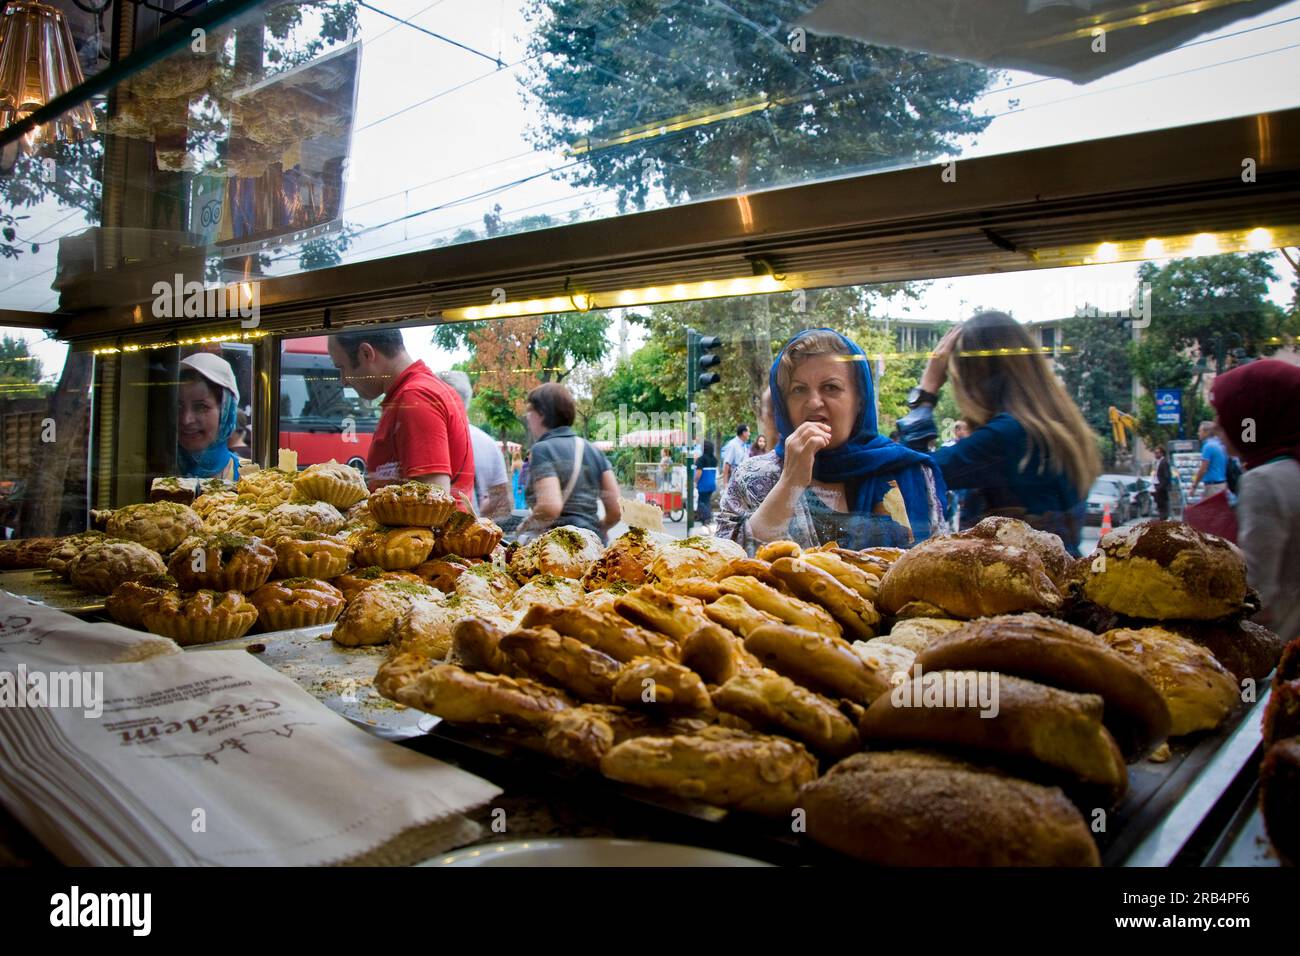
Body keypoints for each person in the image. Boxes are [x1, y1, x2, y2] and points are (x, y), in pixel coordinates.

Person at [716, 329, 946, 552]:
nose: (814, 402)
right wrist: (789, 482)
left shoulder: (910, 470)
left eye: (830, 387)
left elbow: (935, 566)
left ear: (859, 400)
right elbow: (727, 566)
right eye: (798, 390)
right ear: (784, 405)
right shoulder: (751, 477)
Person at [899, 312, 1101, 555]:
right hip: (1057, 580)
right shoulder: (1059, 428)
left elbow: (912, 475)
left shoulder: (1007, 437)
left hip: (1015, 584)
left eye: (954, 379)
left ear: (974, 379)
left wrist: (927, 391)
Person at [1210, 359, 1300, 641]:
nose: (1216, 427)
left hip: (1279, 651)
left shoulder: (1264, 482)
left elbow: (1256, 593)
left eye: (1225, 415)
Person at [328, 329, 474, 497]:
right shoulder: (420, 391)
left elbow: (431, 503)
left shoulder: (414, 399)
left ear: (366, 354)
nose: (343, 381)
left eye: (342, 368)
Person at [519, 382, 621, 541]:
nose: (528, 418)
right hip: (595, 546)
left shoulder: (542, 449)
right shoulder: (594, 451)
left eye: (529, 411)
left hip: (558, 551)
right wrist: (595, 531)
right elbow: (616, 510)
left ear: (542, 413)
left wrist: (525, 525)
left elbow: (550, 507)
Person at [437, 370, 512, 519]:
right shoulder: (488, 443)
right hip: (474, 533)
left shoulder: (435, 438)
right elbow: (503, 501)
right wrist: (478, 514)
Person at [177, 352, 244, 480]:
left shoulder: (249, 478)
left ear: (226, 413)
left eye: (200, 407)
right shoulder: (155, 472)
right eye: (179, 407)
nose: (186, 419)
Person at [1190, 420, 1228, 501]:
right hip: (1223, 484)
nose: (1198, 433)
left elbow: (1203, 469)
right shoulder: (1220, 444)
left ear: (1206, 432)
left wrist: (1194, 486)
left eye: (1199, 431)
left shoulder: (1207, 446)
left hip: (1212, 487)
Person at [720, 423, 751, 489]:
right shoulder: (733, 445)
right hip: (733, 480)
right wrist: (725, 484)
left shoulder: (744, 445)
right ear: (744, 433)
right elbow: (727, 464)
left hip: (742, 479)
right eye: (748, 432)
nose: (749, 434)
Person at [695, 439, 718, 527]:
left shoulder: (701, 459)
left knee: (701, 502)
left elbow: (698, 473)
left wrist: (695, 481)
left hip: (703, 484)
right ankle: (707, 518)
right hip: (712, 484)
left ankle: (706, 517)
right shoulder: (714, 459)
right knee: (707, 501)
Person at [1152, 445, 1172, 520]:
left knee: (1163, 506)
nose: (1156, 455)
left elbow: (1166, 476)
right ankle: (1162, 520)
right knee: (1160, 506)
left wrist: (1160, 487)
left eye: (1157, 453)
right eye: (1155, 453)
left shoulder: (1164, 462)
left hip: (1162, 489)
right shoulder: (1158, 462)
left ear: (1162, 453)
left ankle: (1163, 520)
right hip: (1158, 487)